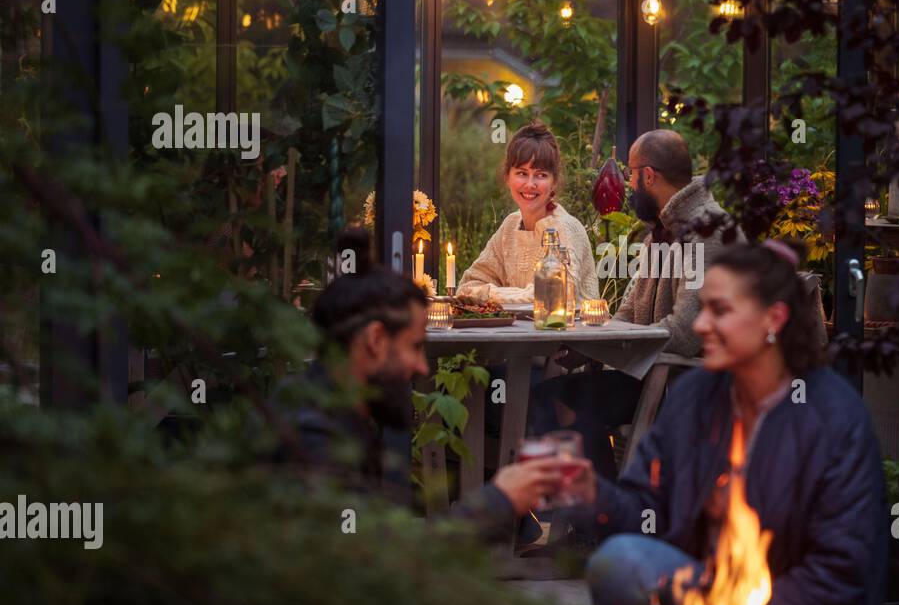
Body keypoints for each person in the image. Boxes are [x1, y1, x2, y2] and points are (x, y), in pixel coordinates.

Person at [558, 239, 889, 605]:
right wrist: (591, 493)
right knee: (619, 561)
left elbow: (840, 570)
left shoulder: (833, 417)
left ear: (774, 319)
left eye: (720, 311)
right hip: (706, 594)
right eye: (703, 308)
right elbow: (647, 511)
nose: (699, 325)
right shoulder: (696, 396)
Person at [274, 227, 569, 544]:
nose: (422, 366)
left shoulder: (332, 413)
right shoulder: (315, 441)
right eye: (415, 347)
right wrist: (499, 500)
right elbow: (377, 562)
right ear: (375, 340)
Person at [530, 128, 740, 478]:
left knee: (558, 401)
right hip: (649, 371)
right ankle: (598, 518)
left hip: (684, 382)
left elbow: (687, 333)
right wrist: (591, 348)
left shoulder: (708, 231)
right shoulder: (660, 230)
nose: (628, 183)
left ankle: (602, 519)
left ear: (648, 175)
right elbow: (628, 312)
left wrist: (616, 345)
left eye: (630, 174)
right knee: (549, 396)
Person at [456, 121, 598, 304]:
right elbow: (467, 286)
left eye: (541, 175)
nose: (530, 184)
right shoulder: (510, 225)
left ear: (554, 182)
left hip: (566, 331)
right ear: (507, 176)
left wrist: (489, 293)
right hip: (518, 332)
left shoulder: (564, 228)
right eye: (522, 173)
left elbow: (554, 296)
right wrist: (500, 293)